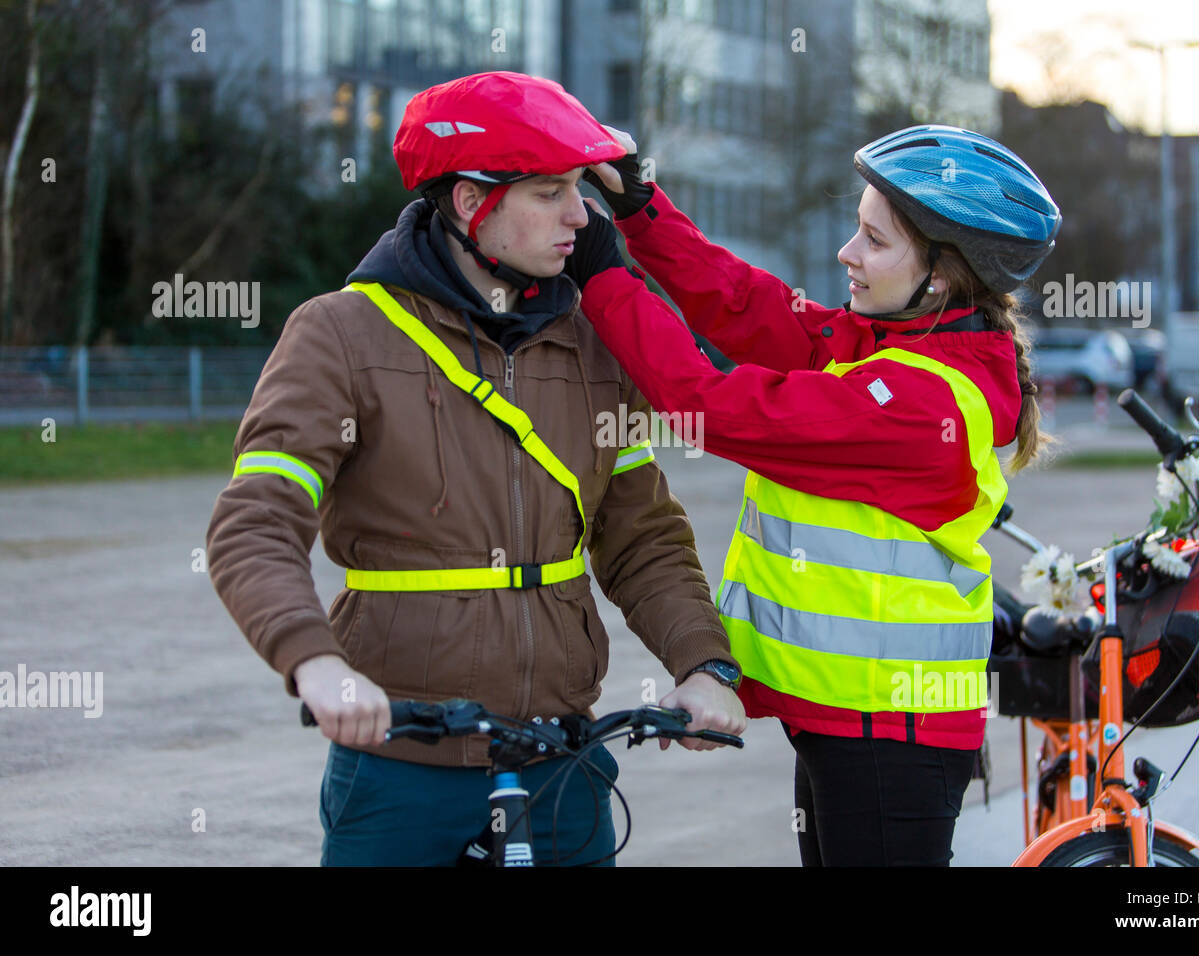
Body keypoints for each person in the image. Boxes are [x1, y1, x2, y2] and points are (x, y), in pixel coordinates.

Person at [205, 72, 746, 868]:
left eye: (581, 190)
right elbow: (256, 521)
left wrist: (703, 664)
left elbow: (643, 538)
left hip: (565, 767)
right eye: (550, 192)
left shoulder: (597, 343)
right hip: (401, 776)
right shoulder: (340, 334)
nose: (581, 216)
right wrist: (313, 662)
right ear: (470, 202)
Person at [563, 123, 1061, 866]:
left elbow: (708, 399)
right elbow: (745, 306)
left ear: (944, 279)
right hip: (851, 725)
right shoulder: (891, 347)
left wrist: (605, 274)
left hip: (892, 741)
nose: (847, 254)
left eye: (874, 240)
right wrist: (641, 210)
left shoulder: (922, 405)